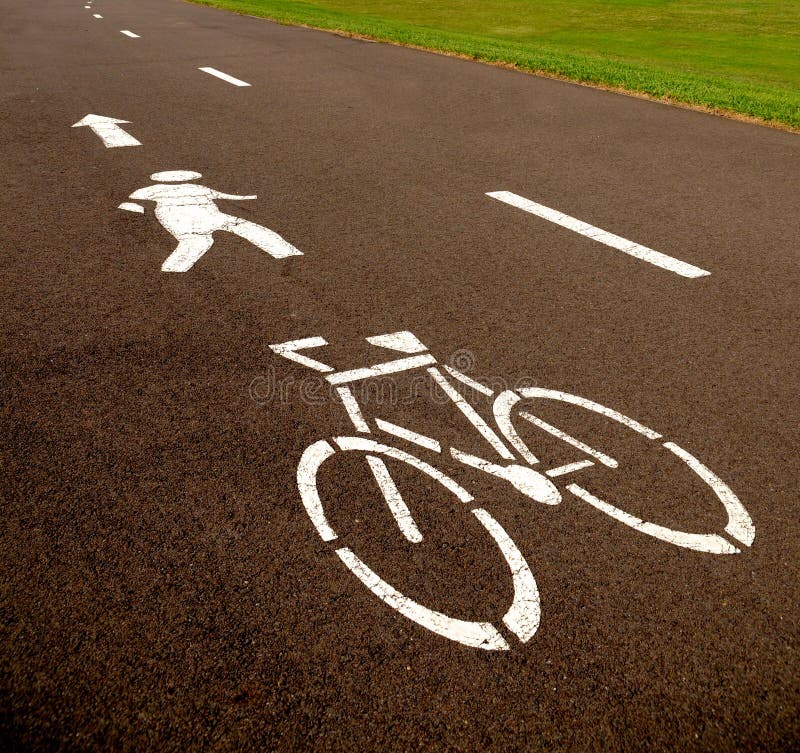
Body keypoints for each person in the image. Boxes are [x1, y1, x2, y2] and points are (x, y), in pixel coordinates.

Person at [125, 170, 303, 272]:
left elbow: (132, 203)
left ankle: (174, 268)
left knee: (197, 240)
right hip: (193, 215)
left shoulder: (148, 190)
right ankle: (285, 252)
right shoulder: (153, 190)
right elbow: (228, 197)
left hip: (183, 217)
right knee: (243, 227)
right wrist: (252, 196)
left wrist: (253, 196)